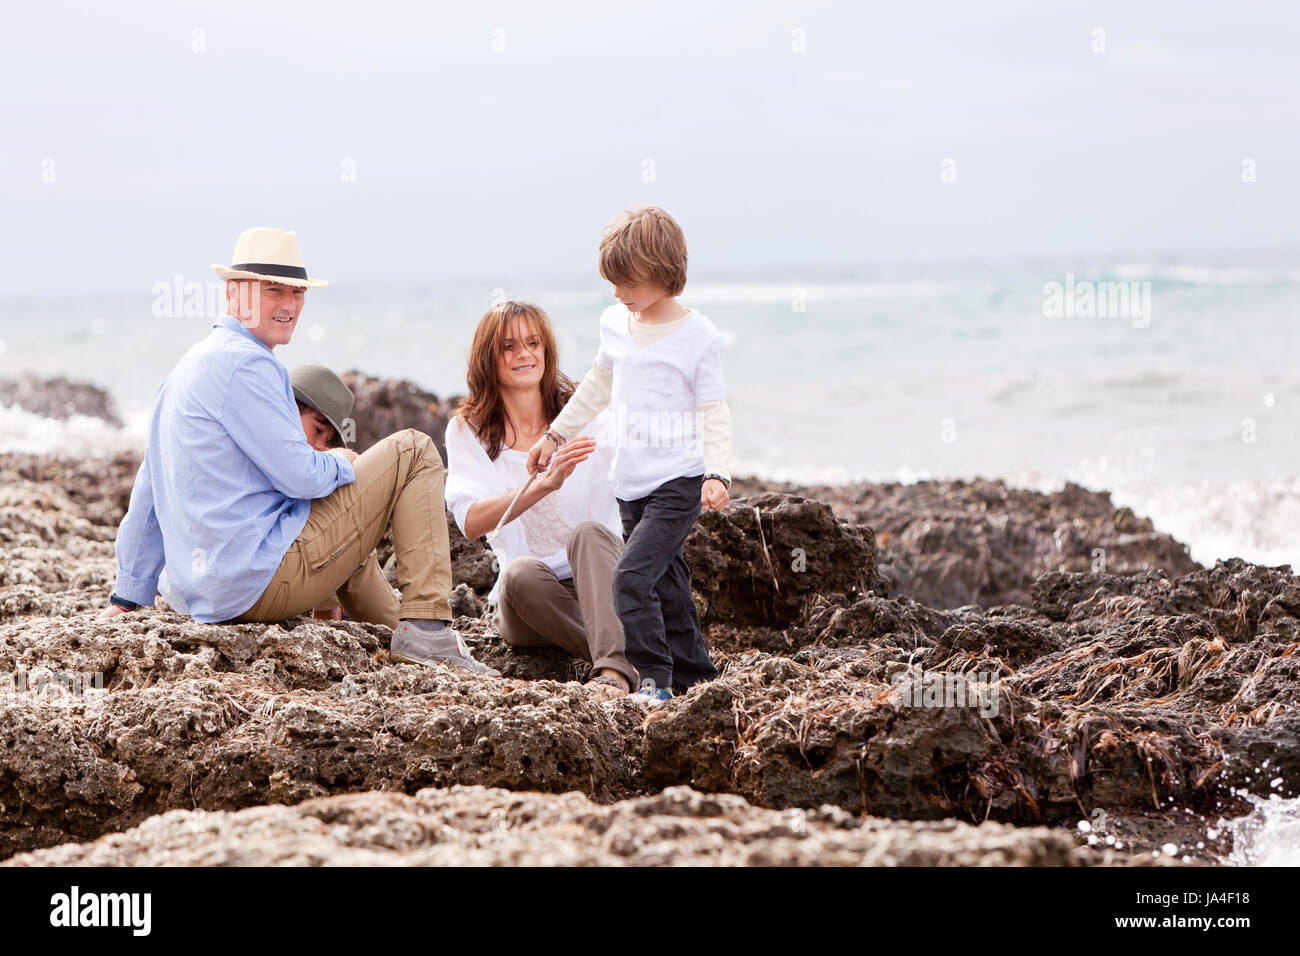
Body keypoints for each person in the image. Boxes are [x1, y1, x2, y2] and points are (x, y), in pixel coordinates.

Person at [104, 226, 497, 677]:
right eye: (274, 290)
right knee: (413, 448)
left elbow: (148, 492)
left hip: (200, 594)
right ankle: (428, 630)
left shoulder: (183, 370)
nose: (289, 305)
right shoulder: (251, 362)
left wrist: (128, 595)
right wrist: (340, 461)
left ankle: (405, 636)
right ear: (235, 294)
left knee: (342, 519)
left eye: (297, 292)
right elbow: (299, 476)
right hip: (253, 587)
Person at [528, 206, 732, 703]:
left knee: (631, 577)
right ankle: (697, 677)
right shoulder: (615, 324)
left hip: (678, 482)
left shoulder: (698, 337)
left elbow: (714, 410)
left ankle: (655, 681)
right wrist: (554, 435)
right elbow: (597, 387)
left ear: (664, 274)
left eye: (629, 283)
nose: (619, 293)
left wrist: (718, 473)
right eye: (613, 283)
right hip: (630, 484)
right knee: (667, 584)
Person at [444, 301, 637, 698]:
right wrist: (542, 486)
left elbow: (637, 462)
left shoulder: (583, 414)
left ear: (546, 351)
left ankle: (614, 671)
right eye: (509, 346)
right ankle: (633, 658)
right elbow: (470, 521)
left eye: (533, 343)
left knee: (589, 534)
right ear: (488, 358)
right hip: (529, 603)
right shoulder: (469, 430)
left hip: (598, 585)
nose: (524, 354)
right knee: (520, 574)